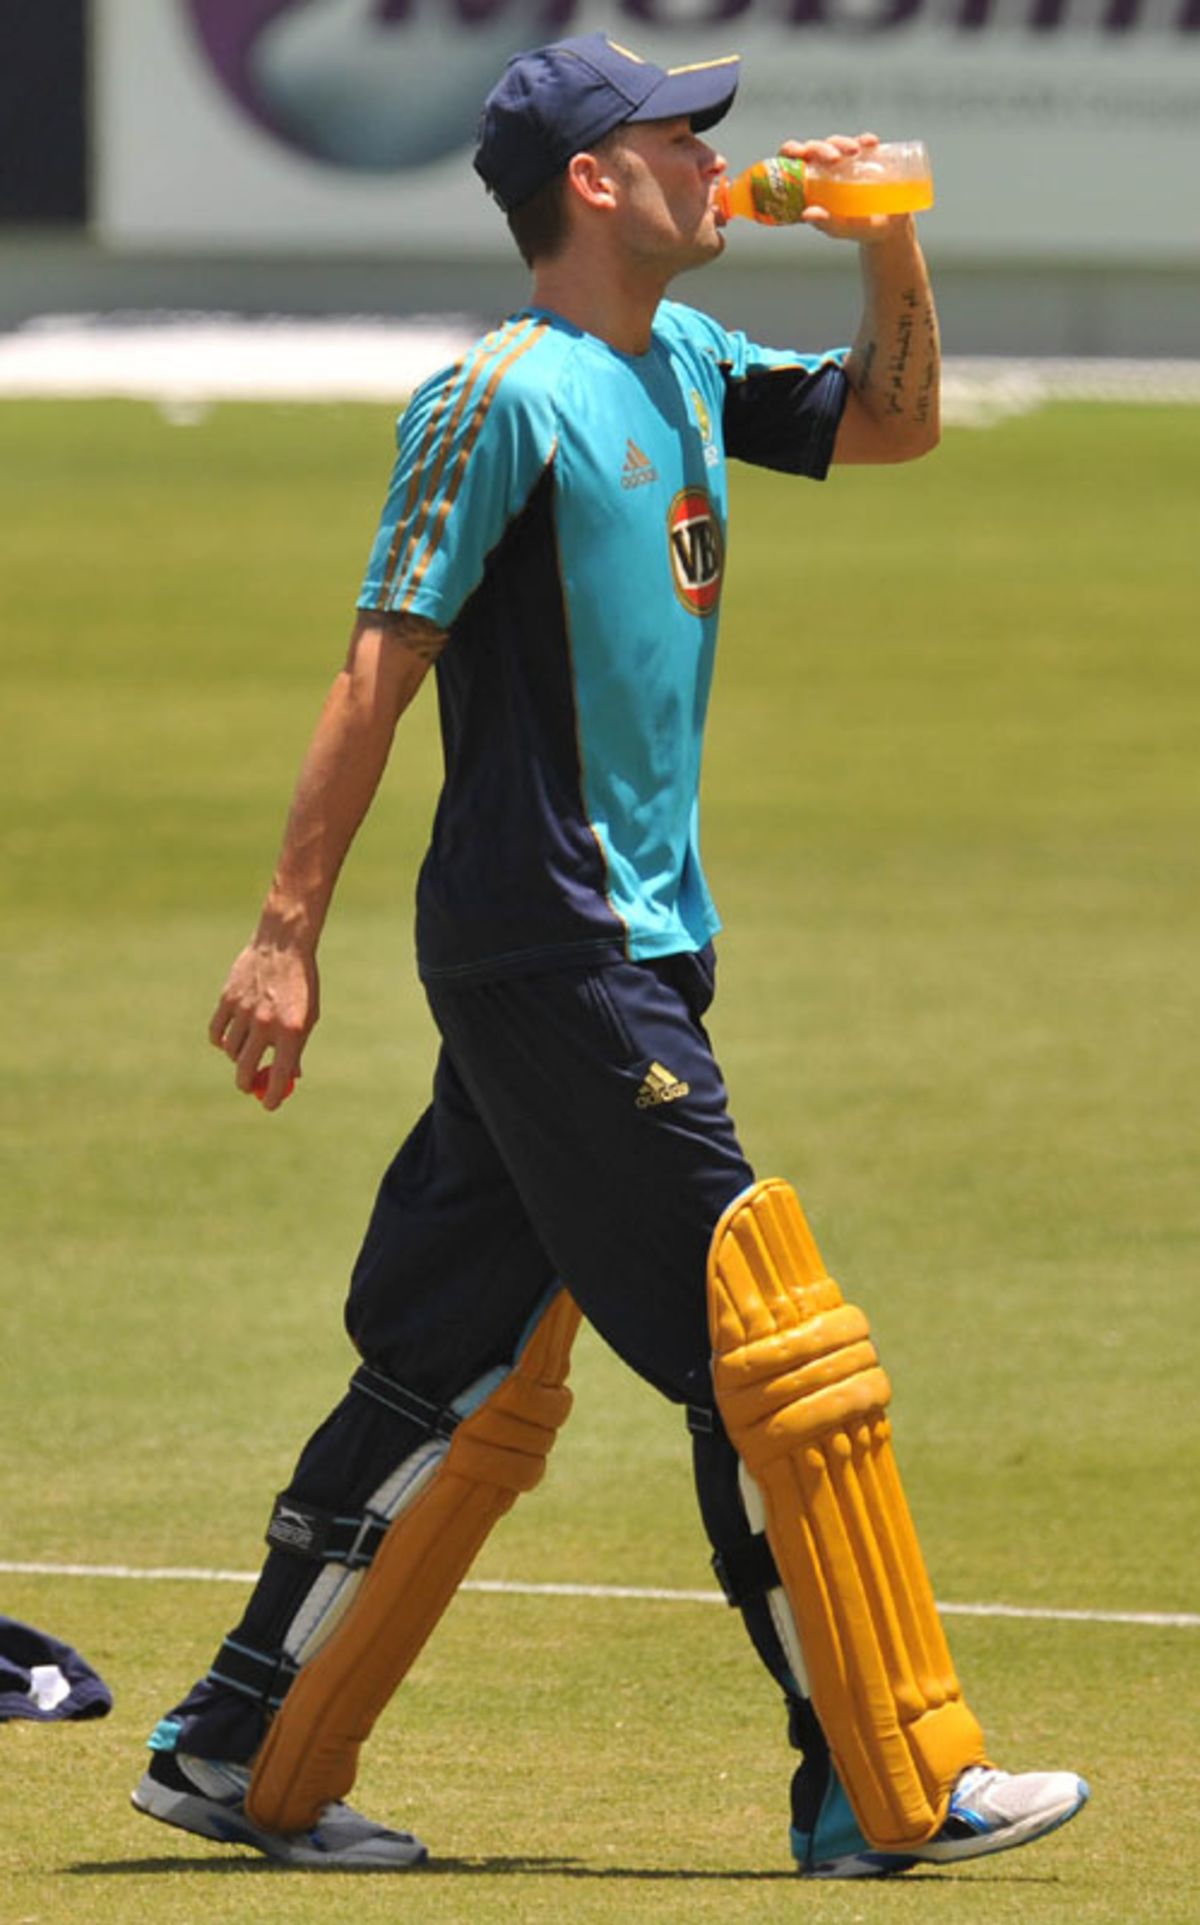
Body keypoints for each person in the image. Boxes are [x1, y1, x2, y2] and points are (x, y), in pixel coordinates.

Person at [131, 33, 1088, 1877]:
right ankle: (882, 1775)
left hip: (623, 949)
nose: (718, 169)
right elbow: (376, 668)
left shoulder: (689, 360)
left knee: (445, 1360)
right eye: (683, 142)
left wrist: (889, 238)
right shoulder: (504, 397)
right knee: (764, 1342)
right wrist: (280, 937)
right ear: (591, 180)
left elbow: (893, 421)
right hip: (555, 946)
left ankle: (237, 1739)